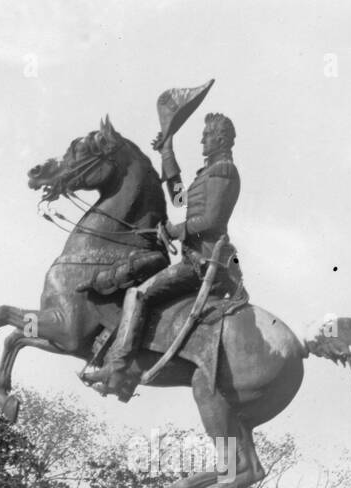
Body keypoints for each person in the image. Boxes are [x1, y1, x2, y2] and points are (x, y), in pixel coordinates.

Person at [83, 112, 242, 399]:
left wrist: (175, 229)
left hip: (205, 262)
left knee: (138, 294)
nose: (202, 140)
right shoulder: (208, 173)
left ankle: (117, 367)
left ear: (221, 139)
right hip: (196, 258)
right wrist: (167, 152)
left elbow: (211, 221)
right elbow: (180, 198)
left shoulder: (224, 171)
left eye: (207, 135)